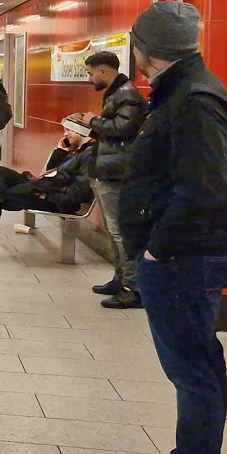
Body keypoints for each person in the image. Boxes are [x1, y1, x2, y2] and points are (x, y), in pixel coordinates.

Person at [119, 1, 227, 454]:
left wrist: (157, 251)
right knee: (197, 365)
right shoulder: (187, 92)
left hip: (182, 260)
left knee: (193, 370)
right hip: (184, 257)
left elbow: (202, 189)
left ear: (144, 50)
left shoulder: (192, 100)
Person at [0, 124, 96, 261]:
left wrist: (47, 194)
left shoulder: (89, 155)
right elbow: (51, 172)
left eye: (69, 130)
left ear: (81, 131)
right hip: (43, 188)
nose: (65, 134)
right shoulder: (76, 150)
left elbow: (78, 193)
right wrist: (60, 151)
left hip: (56, 200)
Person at [79, 50, 149, 309]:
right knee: (113, 230)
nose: (89, 78)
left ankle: (132, 288)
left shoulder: (127, 94)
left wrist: (92, 121)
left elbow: (123, 129)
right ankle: (120, 279)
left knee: (121, 231)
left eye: (90, 72)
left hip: (117, 172)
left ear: (104, 71)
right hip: (107, 168)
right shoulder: (118, 93)